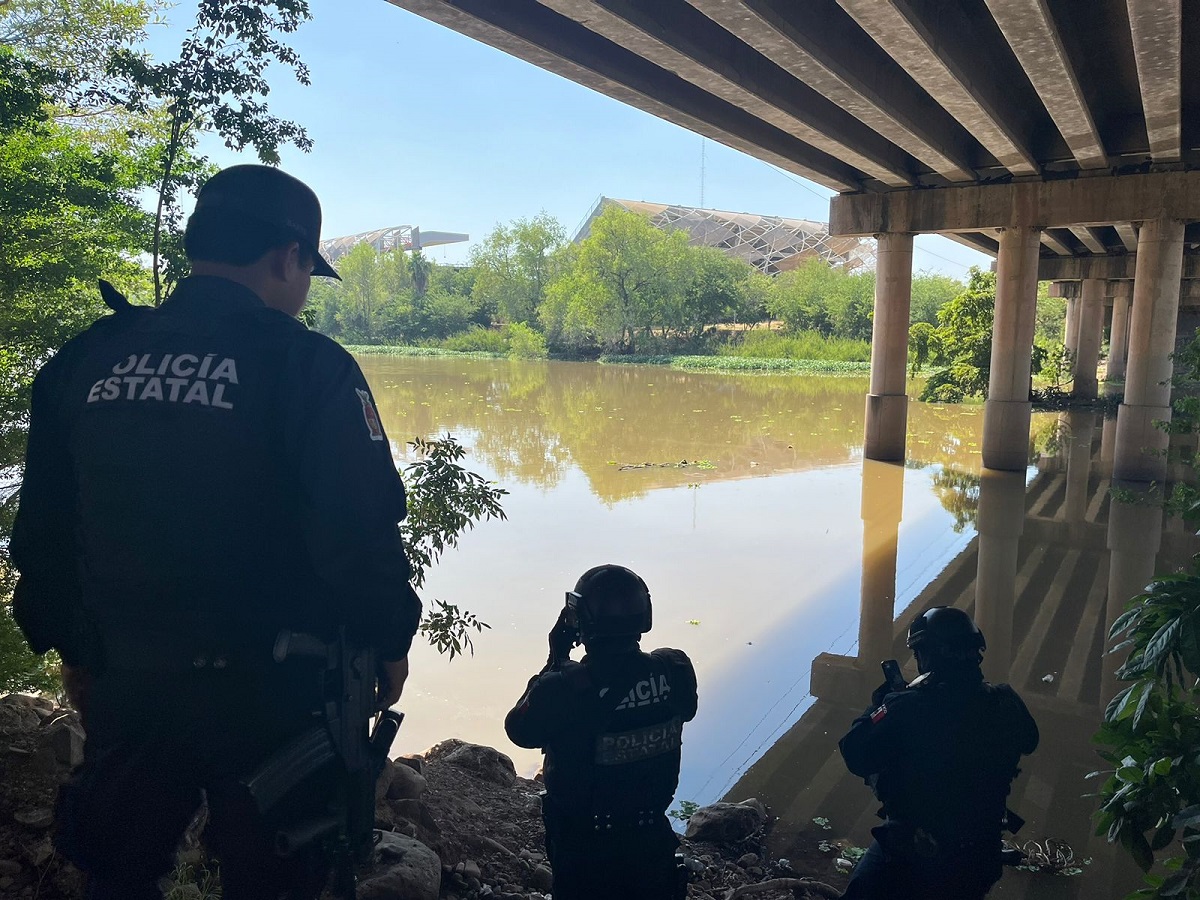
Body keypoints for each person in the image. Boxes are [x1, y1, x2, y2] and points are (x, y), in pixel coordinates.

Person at [10, 164, 422, 900]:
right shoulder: (309, 367)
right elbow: (358, 536)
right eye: (306, 271)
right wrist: (391, 641)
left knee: (117, 870)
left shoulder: (88, 357)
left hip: (125, 682)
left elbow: (39, 529)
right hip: (276, 696)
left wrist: (72, 646)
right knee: (282, 877)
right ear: (289, 256)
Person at [505, 565, 698, 900]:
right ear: (645, 615)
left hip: (585, 850)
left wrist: (556, 658)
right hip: (652, 841)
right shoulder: (674, 669)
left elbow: (520, 731)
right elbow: (687, 709)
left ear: (579, 620)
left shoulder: (562, 687)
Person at [837, 606, 1039, 900]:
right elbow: (1029, 741)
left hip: (914, 856)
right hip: (980, 855)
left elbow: (854, 752)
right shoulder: (1005, 701)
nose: (917, 661)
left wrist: (881, 705)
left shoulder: (905, 707)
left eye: (919, 654)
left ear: (931, 655)